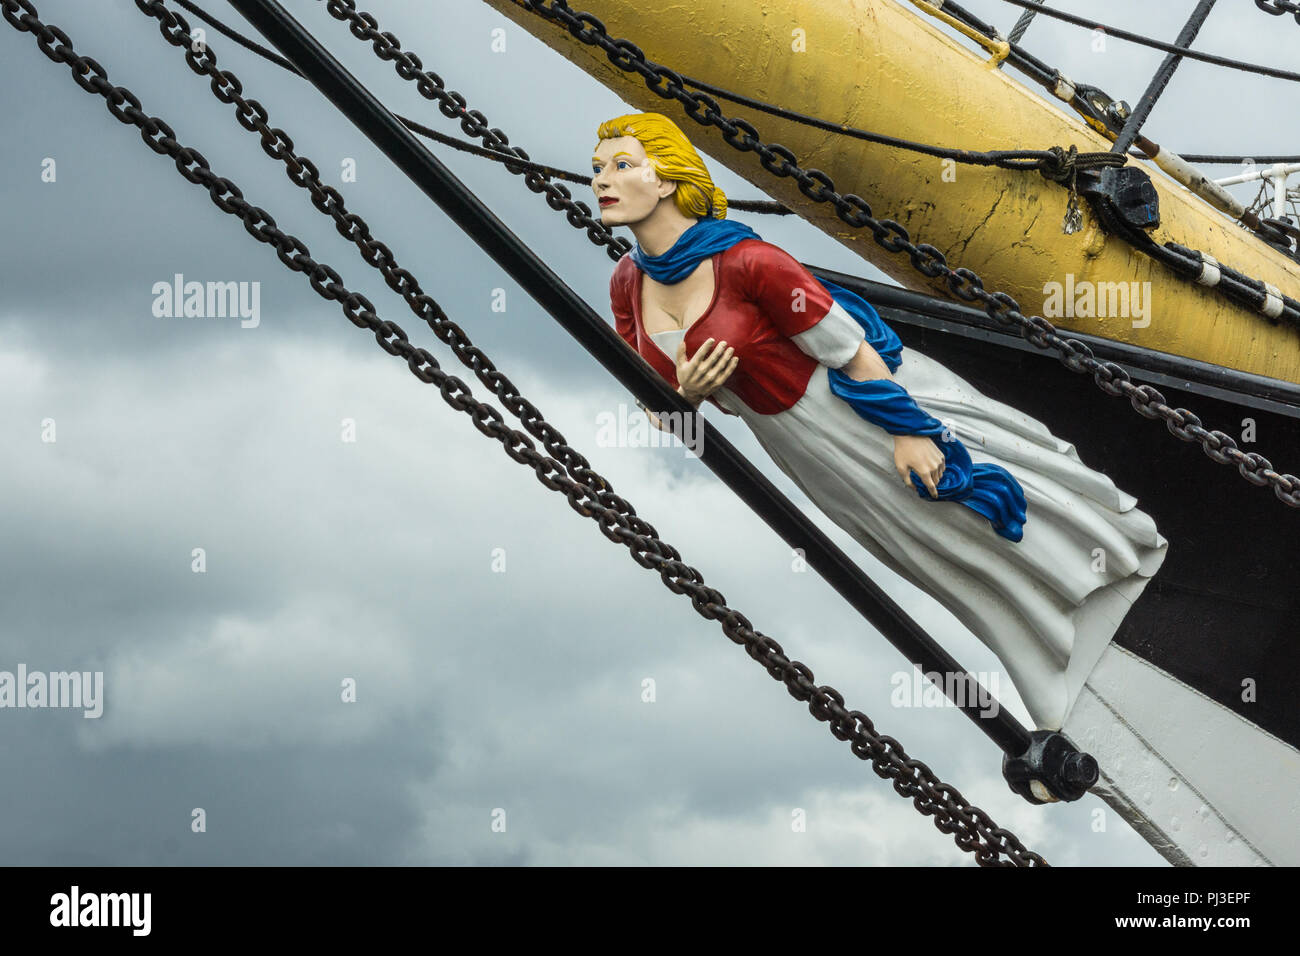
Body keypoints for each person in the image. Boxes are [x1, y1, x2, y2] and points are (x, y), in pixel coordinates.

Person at [594, 111, 1168, 731]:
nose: (603, 177)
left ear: (669, 178)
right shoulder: (628, 285)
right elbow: (661, 412)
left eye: (623, 164)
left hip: (855, 405)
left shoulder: (748, 261)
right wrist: (686, 393)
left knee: (959, 509)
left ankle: (1096, 575)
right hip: (797, 445)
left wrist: (911, 431)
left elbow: (848, 347)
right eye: (599, 167)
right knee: (922, 552)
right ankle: (1040, 654)